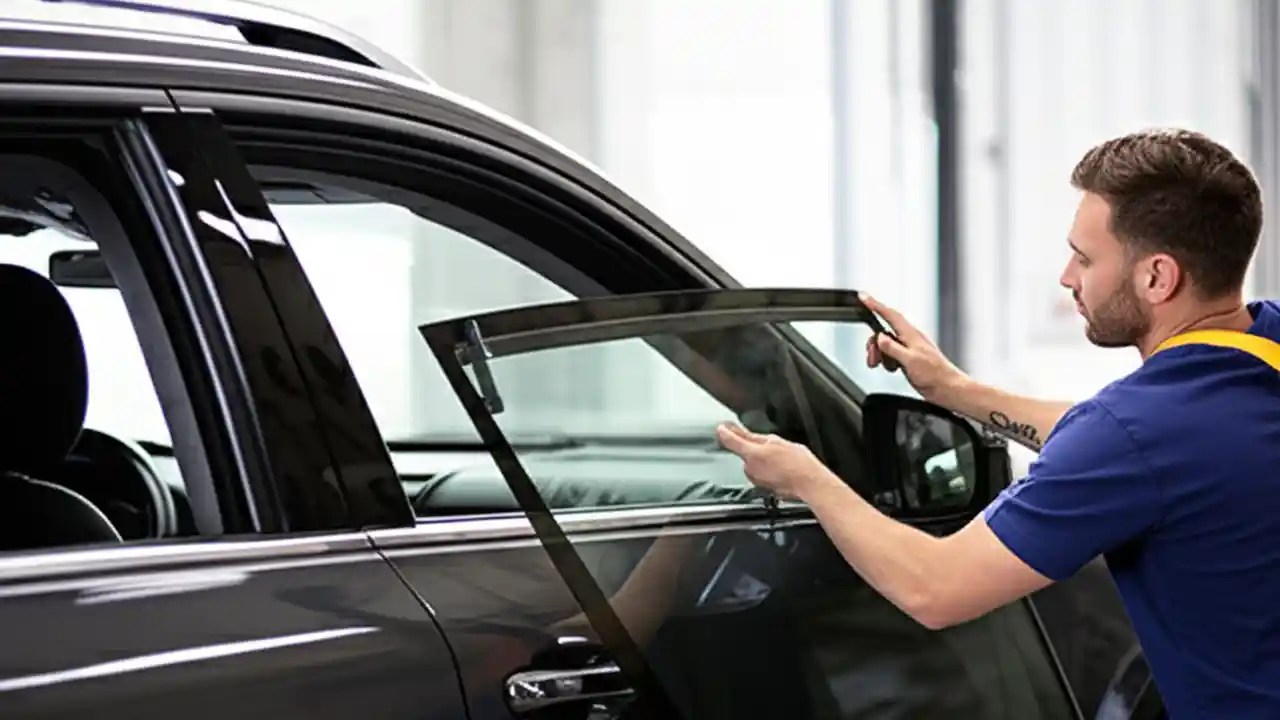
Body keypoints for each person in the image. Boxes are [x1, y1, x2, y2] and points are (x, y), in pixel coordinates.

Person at [715, 128, 1280, 718]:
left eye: (1085, 258)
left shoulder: (1132, 434)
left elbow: (934, 588)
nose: (1068, 276)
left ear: (1157, 277)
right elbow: (1138, 443)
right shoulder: (1255, 350)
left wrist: (807, 478)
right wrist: (953, 390)